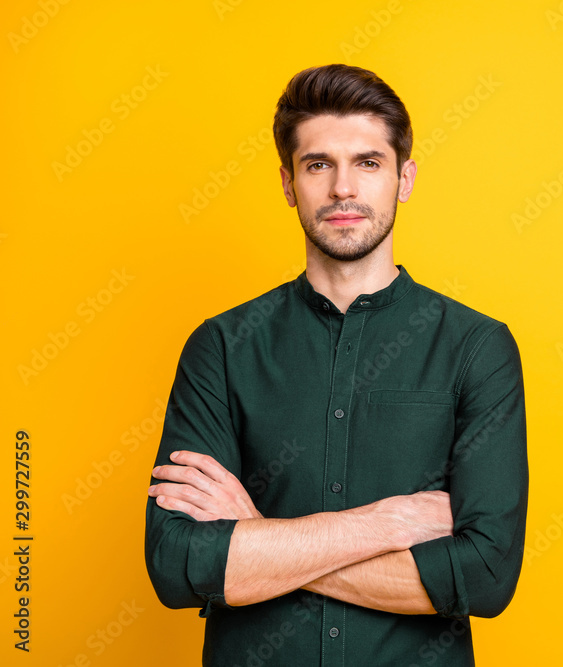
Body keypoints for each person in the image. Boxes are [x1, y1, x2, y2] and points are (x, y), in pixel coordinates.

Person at [144, 63, 528, 666]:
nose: (343, 189)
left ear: (404, 178)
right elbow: (176, 566)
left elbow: (483, 576)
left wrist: (259, 538)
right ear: (288, 182)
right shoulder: (221, 346)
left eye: (368, 163)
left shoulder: (477, 348)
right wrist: (389, 522)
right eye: (318, 164)